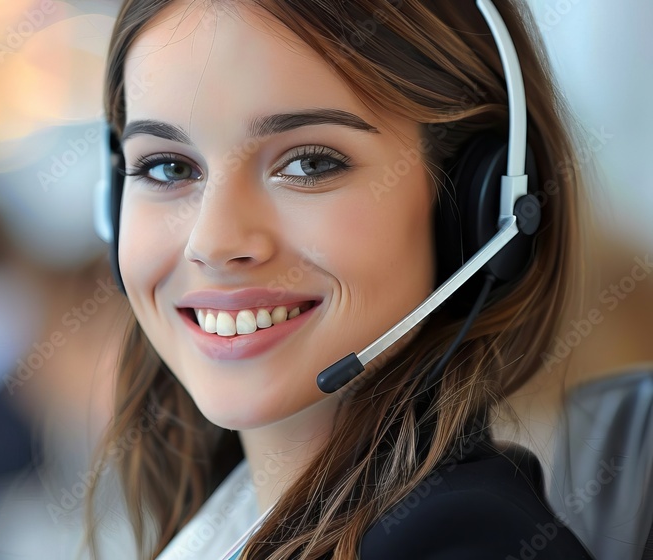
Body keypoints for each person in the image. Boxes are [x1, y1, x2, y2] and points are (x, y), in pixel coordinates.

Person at [85, 0, 599, 558]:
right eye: (168, 167)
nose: (211, 243)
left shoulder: (465, 543)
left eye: (309, 163)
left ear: (480, 208)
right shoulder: (229, 520)